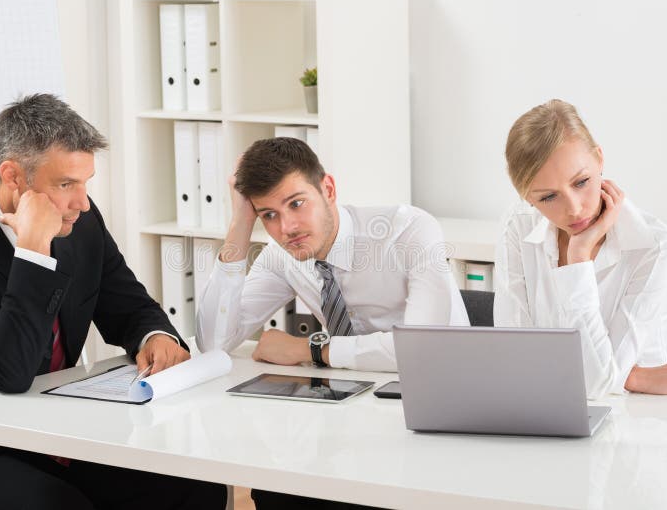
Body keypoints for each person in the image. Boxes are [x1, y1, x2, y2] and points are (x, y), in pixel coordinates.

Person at [0, 94, 226, 509]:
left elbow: (129, 304)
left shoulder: (80, 219)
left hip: (56, 426)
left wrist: (154, 336)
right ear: (13, 177)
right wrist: (33, 250)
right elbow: (9, 371)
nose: (82, 202)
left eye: (85, 183)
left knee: (194, 485)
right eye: (65, 185)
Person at [196, 136, 468, 508]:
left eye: (296, 203)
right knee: (279, 489)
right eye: (268, 215)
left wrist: (311, 350)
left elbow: (422, 351)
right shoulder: (282, 256)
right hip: (351, 418)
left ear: (328, 189)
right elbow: (214, 343)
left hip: (435, 414)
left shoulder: (408, 231)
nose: (287, 227)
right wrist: (240, 223)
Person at [493, 99, 667, 399]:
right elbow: (513, 362)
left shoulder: (657, 247)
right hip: (541, 407)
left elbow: (596, 385)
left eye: (581, 182)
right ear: (527, 198)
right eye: (548, 197)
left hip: (633, 416)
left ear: (599, 159)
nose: (574, 208)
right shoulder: (517, 226)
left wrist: (578, 260)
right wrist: (634, 376)